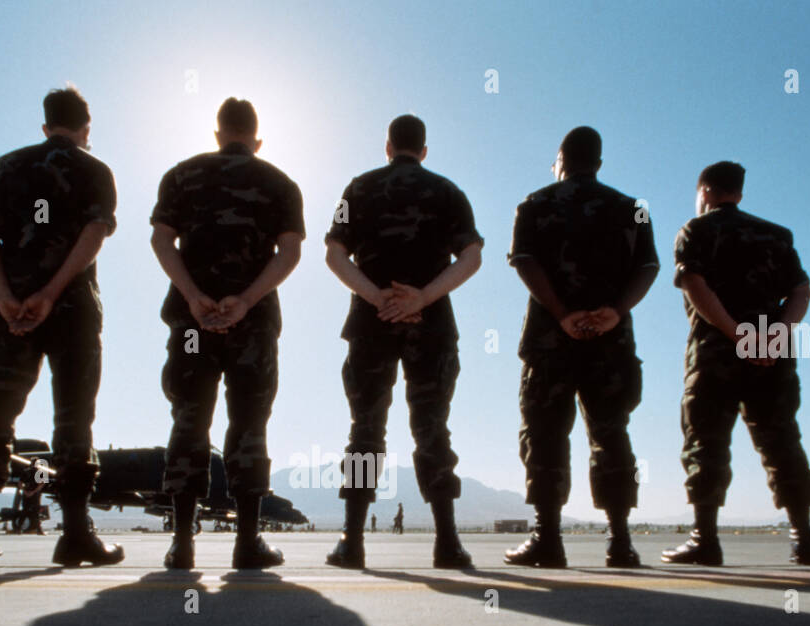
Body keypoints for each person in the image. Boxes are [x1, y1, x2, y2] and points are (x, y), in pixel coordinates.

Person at [0, 86, 122, 568]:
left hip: (10, 311)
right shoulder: (94, 171)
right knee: (74, 418)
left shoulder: (6, 167)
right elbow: (94, 234)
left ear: (45, 125)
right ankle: (75, 534)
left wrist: (7, 295)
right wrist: (51, 294)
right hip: (71, 311)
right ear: (86, 128)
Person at [322, 114, 483, 569]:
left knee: (365, 431)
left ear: (388, 146)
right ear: (424, 150)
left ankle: (352, 542)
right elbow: (471, 256)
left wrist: (378, 299)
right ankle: (448, 543)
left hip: (371, 324)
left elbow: (333, 252)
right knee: (432, 428)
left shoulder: (358, 188)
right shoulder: (449, 191)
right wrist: (422, 298)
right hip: (430, 326)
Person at [150, 97, 304, 570]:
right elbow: (291, 252)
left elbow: (161, 239)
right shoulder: (280, 183)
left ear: (217, 135)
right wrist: (247, 300)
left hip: (193, 325)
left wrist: (195, 297)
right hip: (251, 325)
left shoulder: (181, 174)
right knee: (249, 422)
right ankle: (247, 542)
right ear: (256, 139)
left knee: (189, 419)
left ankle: (181, 542)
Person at [505, 126, 657, 568]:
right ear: (599, 163)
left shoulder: (534, 204)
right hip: (611, 341)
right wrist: (615, 311)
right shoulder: (635, 209)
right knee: (611, 434)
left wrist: (560, 312)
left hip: (551, 342)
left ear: (560, 161)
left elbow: (524, 260)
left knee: (545, 434)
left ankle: (547, 540)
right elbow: (649, 265)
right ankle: (620, 542)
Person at [662, 160, 810, 566]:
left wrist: (736, 333)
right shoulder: (777, 235)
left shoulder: (696, 230)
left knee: (706, 443)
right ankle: (804, 541)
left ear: (705, 191)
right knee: (782, 440)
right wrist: (776, 334)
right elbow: (801, 291)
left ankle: (705, 539)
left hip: (717, 352)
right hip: (771, 355)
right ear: (740, 192)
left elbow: (694, 283)